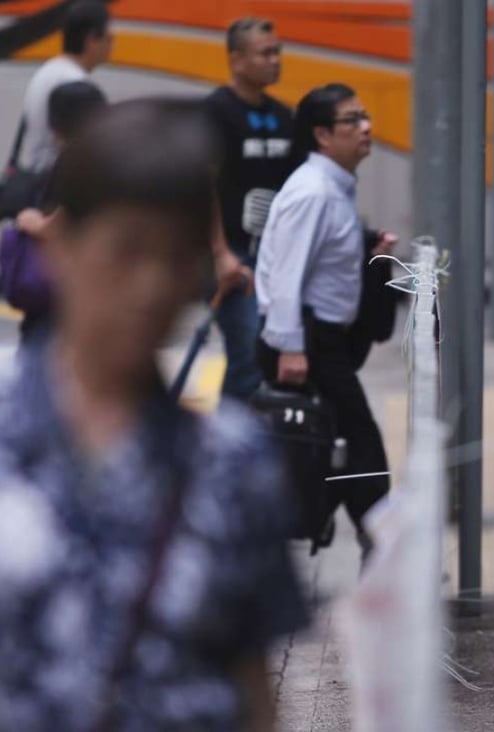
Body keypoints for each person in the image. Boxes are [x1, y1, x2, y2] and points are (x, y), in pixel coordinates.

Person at [0, 98, 308, 730]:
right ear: (59, 246)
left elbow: (255, 692)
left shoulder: (234, 459)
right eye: (127, 250)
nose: (152, 285)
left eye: (175, 257)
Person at [255, 83, 397, 556]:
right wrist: (291, 347)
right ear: (321, 134)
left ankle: (371, 542)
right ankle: (381, 546)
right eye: (351, 120)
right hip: (308, 342)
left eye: (364, 117)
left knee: (335, 444)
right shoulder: (313, 192)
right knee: (360, 443)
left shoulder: (333, 184)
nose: (365, 128)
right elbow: (285, 276)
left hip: (323, 340)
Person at [206, 17, 295, 402]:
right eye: (265, 53)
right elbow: (201, 185)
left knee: (263, 360)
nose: (275, 60)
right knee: (245, 358)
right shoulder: (215, 112)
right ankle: (223, 450)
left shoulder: (284, 116)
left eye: (278, 52)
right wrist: (221, 254)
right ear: (237, 60)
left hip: (276, 258)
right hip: (236, 258)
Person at [5, 80, 107, 345]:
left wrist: (32, 223)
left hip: (58, 299)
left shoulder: (75, 163)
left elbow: (63, 223)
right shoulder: (105, 162)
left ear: (55, 125)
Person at [16, 0, 111, 174]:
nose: (111, 45)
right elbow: (87, 154)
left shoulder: (48, 70)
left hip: (35, 179)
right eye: (109, 38)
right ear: (91, 40)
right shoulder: (76, 86)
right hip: (54, 186)